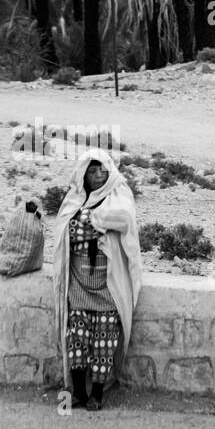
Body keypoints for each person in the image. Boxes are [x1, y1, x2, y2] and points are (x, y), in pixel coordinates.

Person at [52, 147, 142, 411]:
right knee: (77, 338)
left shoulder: (119, 194)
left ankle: (98, 395)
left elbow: (123, 218)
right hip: (78, 282)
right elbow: (66, 230)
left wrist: (91, 221)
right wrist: (95, 227)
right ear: (83, 174)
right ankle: (78, 393)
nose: (98, 175)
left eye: (102, 169)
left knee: (104, 341)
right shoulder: (74, 198)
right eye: (92, 170)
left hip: (108, 285)